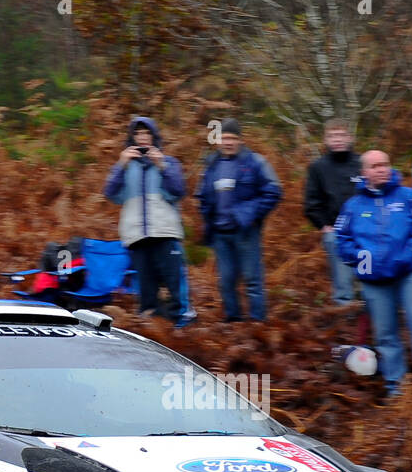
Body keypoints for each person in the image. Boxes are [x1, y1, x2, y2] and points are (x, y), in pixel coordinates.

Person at [334, 150, 412, 397]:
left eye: (384, 164)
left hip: (410, 273)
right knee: (386, 334)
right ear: (364, 172)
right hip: (374, 280)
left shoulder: (409, 197)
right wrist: (360, 257)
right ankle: (396, 387)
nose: (381, 169)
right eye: (374, 166)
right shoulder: (352, 206)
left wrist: (410, 253)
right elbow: (341, 239)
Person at [195, 118, 282, 322]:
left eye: (233, 138)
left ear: (241, 140)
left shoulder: (255, 162)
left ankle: (257, 325)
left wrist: (251, 215)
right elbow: (202, 195)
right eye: (225, 138)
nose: (228, 142)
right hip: (220, 234)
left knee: (252, 281)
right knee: (226, 281)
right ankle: (233, 324)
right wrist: (207, 219)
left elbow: (273, 190)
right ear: (218, 141)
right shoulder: (212, 164)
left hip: (245, 232)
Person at [104, 117, 189, 325]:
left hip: (165, 232)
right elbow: (110, 194)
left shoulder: (169, 162)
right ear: (132, 138)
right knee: (146, 292)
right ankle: (153, 332)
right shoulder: (125, 167)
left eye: (146, 133)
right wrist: (120, 166)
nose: (142, 138)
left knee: (175, 286)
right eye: (138, 134)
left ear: (154, 137)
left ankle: (183, 329)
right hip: (137, 236)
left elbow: (178, 191)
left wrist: (161, 166)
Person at [304, 118, 363, 305]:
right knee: (344, 281)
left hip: (367, 229)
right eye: (332, 136)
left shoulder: (362, 163)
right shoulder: (318, 168)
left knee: (369, 277)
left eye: (341, 135)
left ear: (350, 138)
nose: (337, 139)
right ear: (325, 140)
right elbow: (312, 203)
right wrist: (323, 225)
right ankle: (345, 315)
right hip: (336, 231)